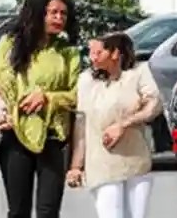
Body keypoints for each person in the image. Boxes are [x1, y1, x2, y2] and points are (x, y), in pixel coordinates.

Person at [0, 0, 82, 218]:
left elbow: (78, 93)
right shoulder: (10, 44)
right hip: (16, 135)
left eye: (63, 14)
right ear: (38, 13)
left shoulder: (69, 53)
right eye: (53, 13)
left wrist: (48, 97)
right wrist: (10, 109)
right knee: (18, 211)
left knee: (48, 212)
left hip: (53, 139)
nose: (59, 18)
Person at [66, 32, 164, 218]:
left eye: (98, 52)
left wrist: (123, 124)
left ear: (115, 53)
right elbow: (81, 123)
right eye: (90, 52)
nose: (92, 58)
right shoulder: (86, 80)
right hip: (101, 162)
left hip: (135, 160)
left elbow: (153, 105)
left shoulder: (138, 73)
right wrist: (76, 166)